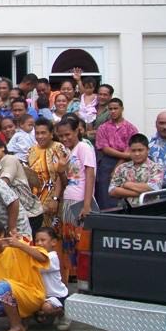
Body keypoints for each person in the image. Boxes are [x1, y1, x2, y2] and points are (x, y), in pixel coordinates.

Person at [0, 219, 48, 331]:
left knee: (3, 286)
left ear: (2, 235)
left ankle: (17, 327)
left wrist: (20, 244)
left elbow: (42, 257)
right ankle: (23, 318)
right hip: (16, 298)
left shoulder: (19, 245)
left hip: (33, 295)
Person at [56, 117, 97, 273]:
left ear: (76, 131)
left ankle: (84, 274)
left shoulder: (83, 147)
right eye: (61, 136)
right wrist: (60, 170)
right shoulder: (67, 152)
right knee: (70, 241)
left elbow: (90, 174)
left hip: (80, 200)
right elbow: (67, 180)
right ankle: (74, 274)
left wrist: (87, 205)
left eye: (68, 134)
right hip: (68, 199)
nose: (65, 138)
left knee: (82, 241)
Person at [0, 137, 44, 234]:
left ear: (2, 147)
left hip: (30, 213)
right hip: (13, 217)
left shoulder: (10, 159)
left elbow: (3, 183)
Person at [95, 98, 138, 208]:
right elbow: (104, 148)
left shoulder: (131, 128)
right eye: (110, 109)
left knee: (125, 191)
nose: (113, 111)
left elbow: (131, 148)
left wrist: (119, 165)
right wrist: (125, 155)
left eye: (115, 108)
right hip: (107, 161)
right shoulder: (103, 128)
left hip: (127, 163)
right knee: (105, 192)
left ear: (122, 109)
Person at [109, 133, 164, 207]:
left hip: (150, 210)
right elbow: (112, 191)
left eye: (140, 150)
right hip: (126, 211)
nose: (137, 154)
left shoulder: (156, 168)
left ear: (147, 150)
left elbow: (153, 188)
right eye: (133, 150)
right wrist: (143, 192)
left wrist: (126, 185)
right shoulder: (121, 168)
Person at [34, 227, 70, 331]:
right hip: (43, 295)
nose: (39, 243)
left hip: (57, 295)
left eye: (43, 240)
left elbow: (35, 267)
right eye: (37, 241)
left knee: (46, 308)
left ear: (53, 242)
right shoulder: (36, 256)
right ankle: (48, 315)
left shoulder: (52, 257)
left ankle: (64, 313)